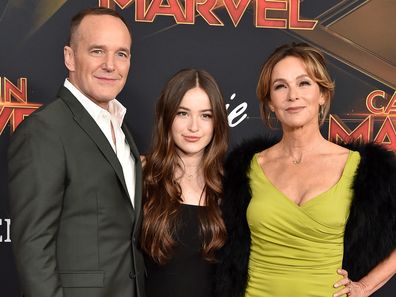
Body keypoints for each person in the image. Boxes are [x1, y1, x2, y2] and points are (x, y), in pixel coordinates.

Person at [215, 43, 396, 297]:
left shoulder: (358, 167)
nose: (292, 96)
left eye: (304, 83)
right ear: (269, 102)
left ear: (322, 94)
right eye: (280, 86)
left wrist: (365, 285)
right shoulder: (246, 168)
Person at [8, 7, 145, 297]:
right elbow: (33, 248)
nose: (111, 65)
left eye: (121, 54)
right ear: (70, 57)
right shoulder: (44, 131)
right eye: (97, 51)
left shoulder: (122, 130)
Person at [140, 68, 229, 297]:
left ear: (217, 122)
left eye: (205, 115)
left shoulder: (231, 186)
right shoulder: (142, 176)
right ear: (167, 116)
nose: (194, 127)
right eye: (183, 113)